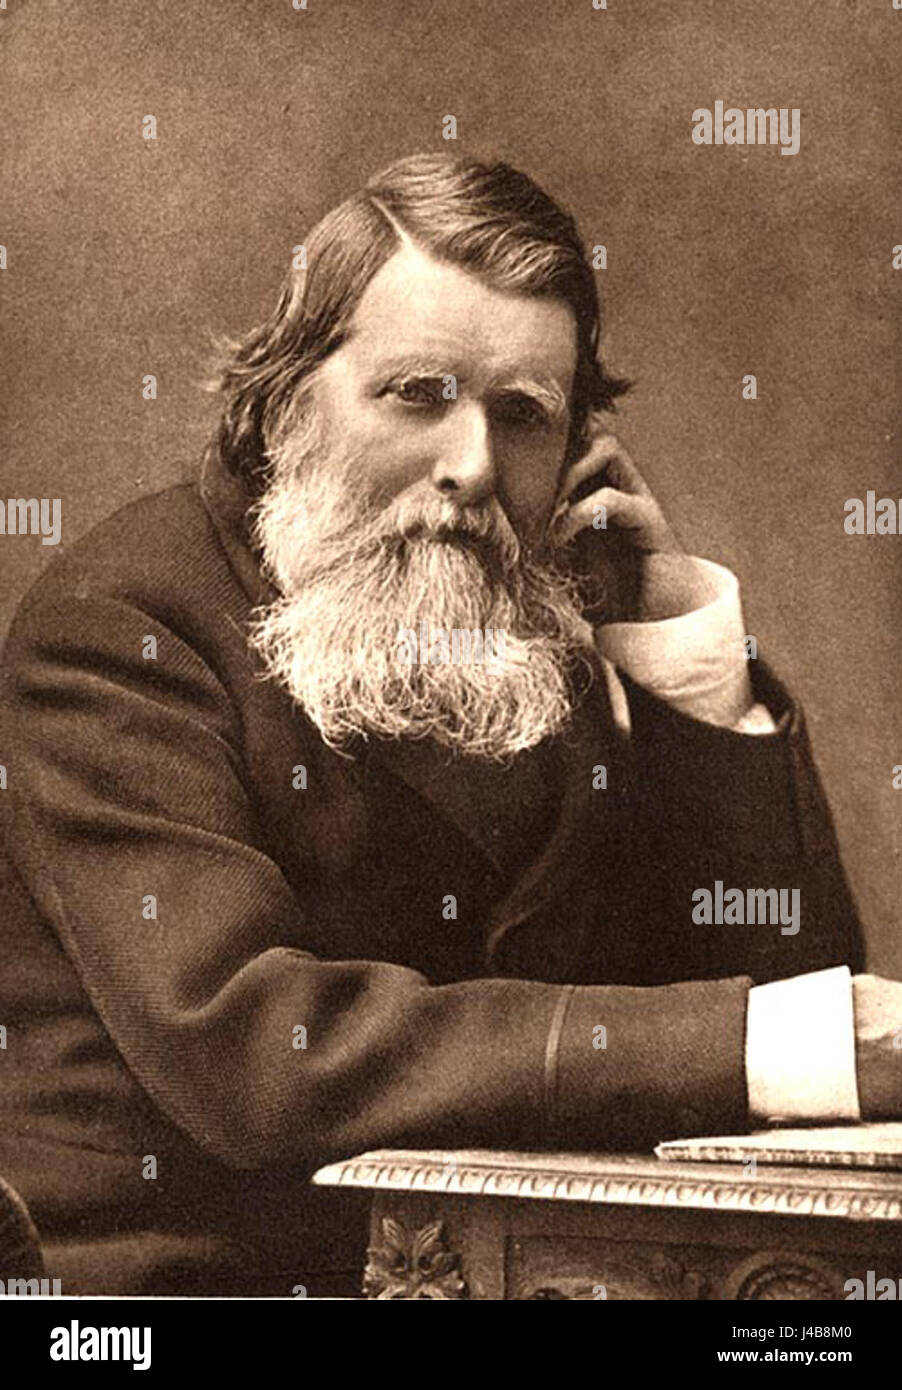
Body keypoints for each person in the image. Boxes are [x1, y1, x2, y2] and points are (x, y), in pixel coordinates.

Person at [0, 152, 895, 1297]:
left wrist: (682, 652)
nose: (470, 466)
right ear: (284, 401)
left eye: (521, 416)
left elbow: (801, 1010)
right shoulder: (121, 626)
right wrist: (773, 1047)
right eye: (418, 394)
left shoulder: (532, 637)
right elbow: (261, 1054)